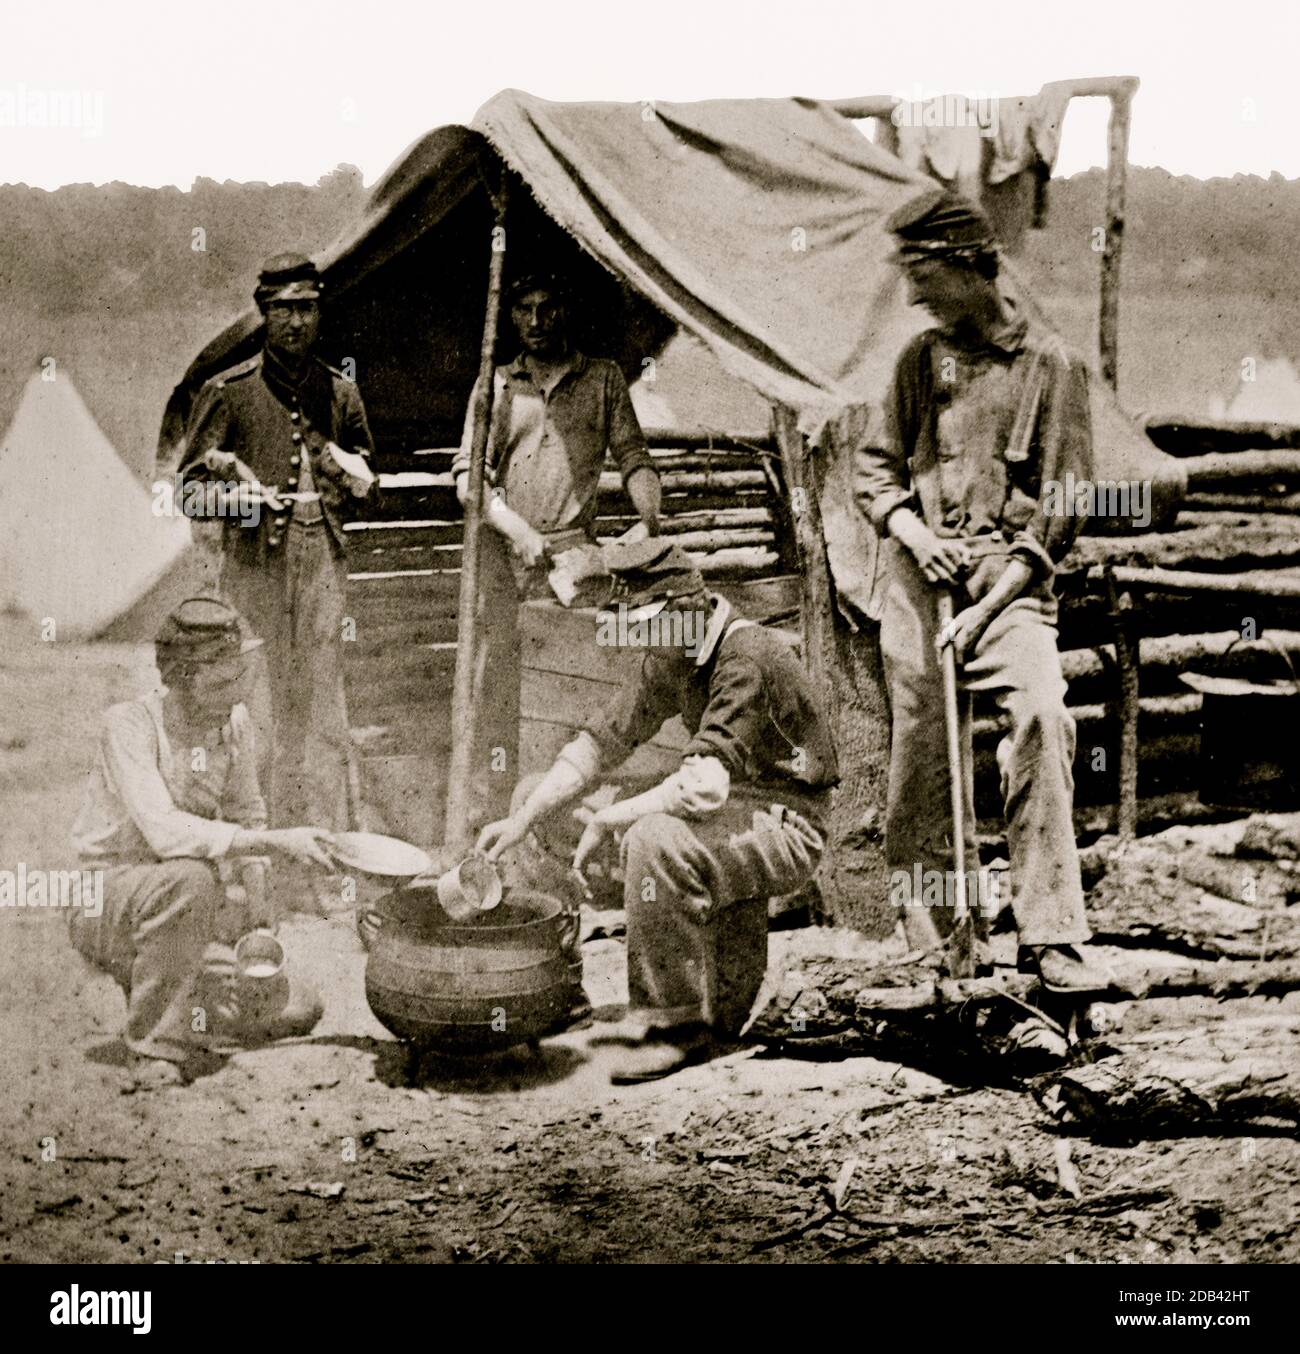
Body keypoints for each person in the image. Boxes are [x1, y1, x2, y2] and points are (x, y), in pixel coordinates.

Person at [853, 187, 1115, 994]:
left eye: (924, 278)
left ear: (972, 267)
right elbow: (874, 469)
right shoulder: (917, 362)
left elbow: (1064, 508)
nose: (913, 297)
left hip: (1010, 592)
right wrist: (915, 534)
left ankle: (1051, 937)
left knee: (1041, 715)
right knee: (921, 767)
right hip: (921, 581)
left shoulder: (1054, 366)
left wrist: (988, 607)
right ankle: (938, 945)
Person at [476, 540, 837, 1083]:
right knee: (535, 794)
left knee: (655, 839)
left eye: (649, 628)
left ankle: (674, 1027)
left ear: (685, 611)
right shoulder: (677, 649)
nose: (643, 642)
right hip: (727, 803)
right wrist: (522, 818)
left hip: (788, 819)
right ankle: (562, 986)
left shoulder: (748, 659)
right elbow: (601, 743)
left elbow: (700, 790)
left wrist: (608, 818)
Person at [69, 598, 333, 1090]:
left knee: (299, 1005)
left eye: (238, 680)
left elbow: (245, 812)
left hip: (186, 910)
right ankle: (154, 1048)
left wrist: (257, 911)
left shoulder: (233, 725)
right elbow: (166, 833)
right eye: (219, 684)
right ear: (181, 677)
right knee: (192, 878)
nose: (233, 696)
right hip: (108, 899)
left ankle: (177, 998)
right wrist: (277, 844)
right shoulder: (129, 725)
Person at [179, 253, 377, 907]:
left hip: (321, 557)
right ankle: (252, 872)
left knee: (321, 715)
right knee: (254, 715)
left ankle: (319, 868)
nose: (297, 321)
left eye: (308, 307)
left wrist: (352, 477)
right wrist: (243, 500)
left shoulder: (339, 393)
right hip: (254, 570)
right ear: (264, 313)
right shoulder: (228, 394)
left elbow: (365, 480)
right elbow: (188, 493)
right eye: (284, 308)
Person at [453, 273, 662, 829]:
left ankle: (551, 822)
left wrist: (649, 520)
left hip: (569, 567)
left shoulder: (603, 380)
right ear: (513, 315)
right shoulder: (496, 385)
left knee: (565, 691)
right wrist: (513, 527)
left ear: (567, 311)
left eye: (549, 307)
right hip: (503, 558)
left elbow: (635, 459)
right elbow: (466, 477)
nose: (537, 321)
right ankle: (482, 821)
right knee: (493, 690)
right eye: (524, 309)